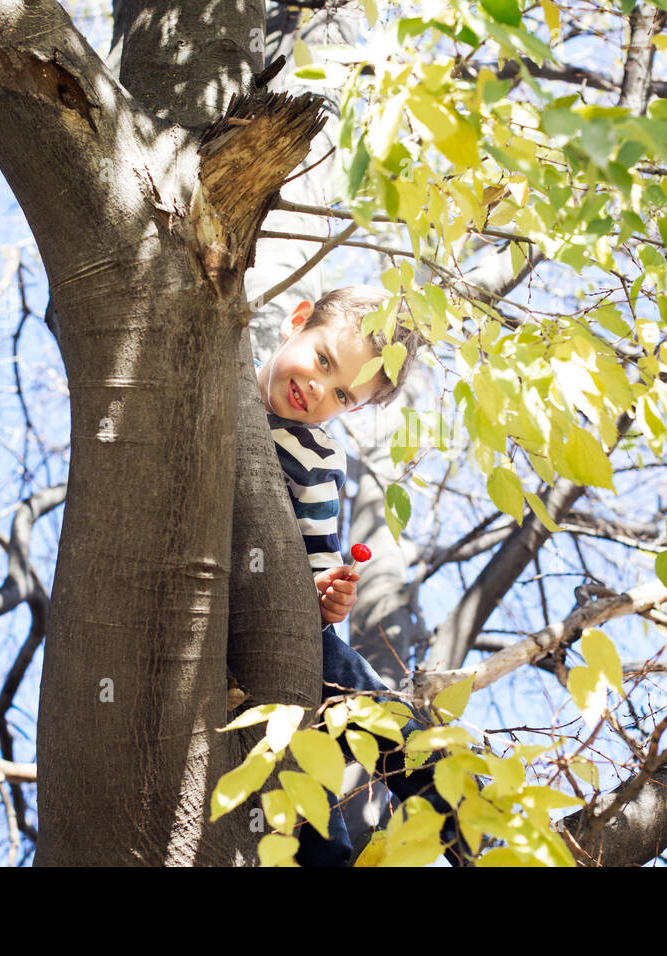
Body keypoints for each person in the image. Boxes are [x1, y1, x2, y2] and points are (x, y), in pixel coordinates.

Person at [255, 286, 465, 866]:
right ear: (297, 322)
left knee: (363, 710)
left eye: (342, 394)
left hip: (293, 639)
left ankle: (465, 822)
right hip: (219, 621)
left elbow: (318, 558)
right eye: (322, 360)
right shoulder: (217, 390)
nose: (319, 389)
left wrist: (327, 595)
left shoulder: (319, 456)